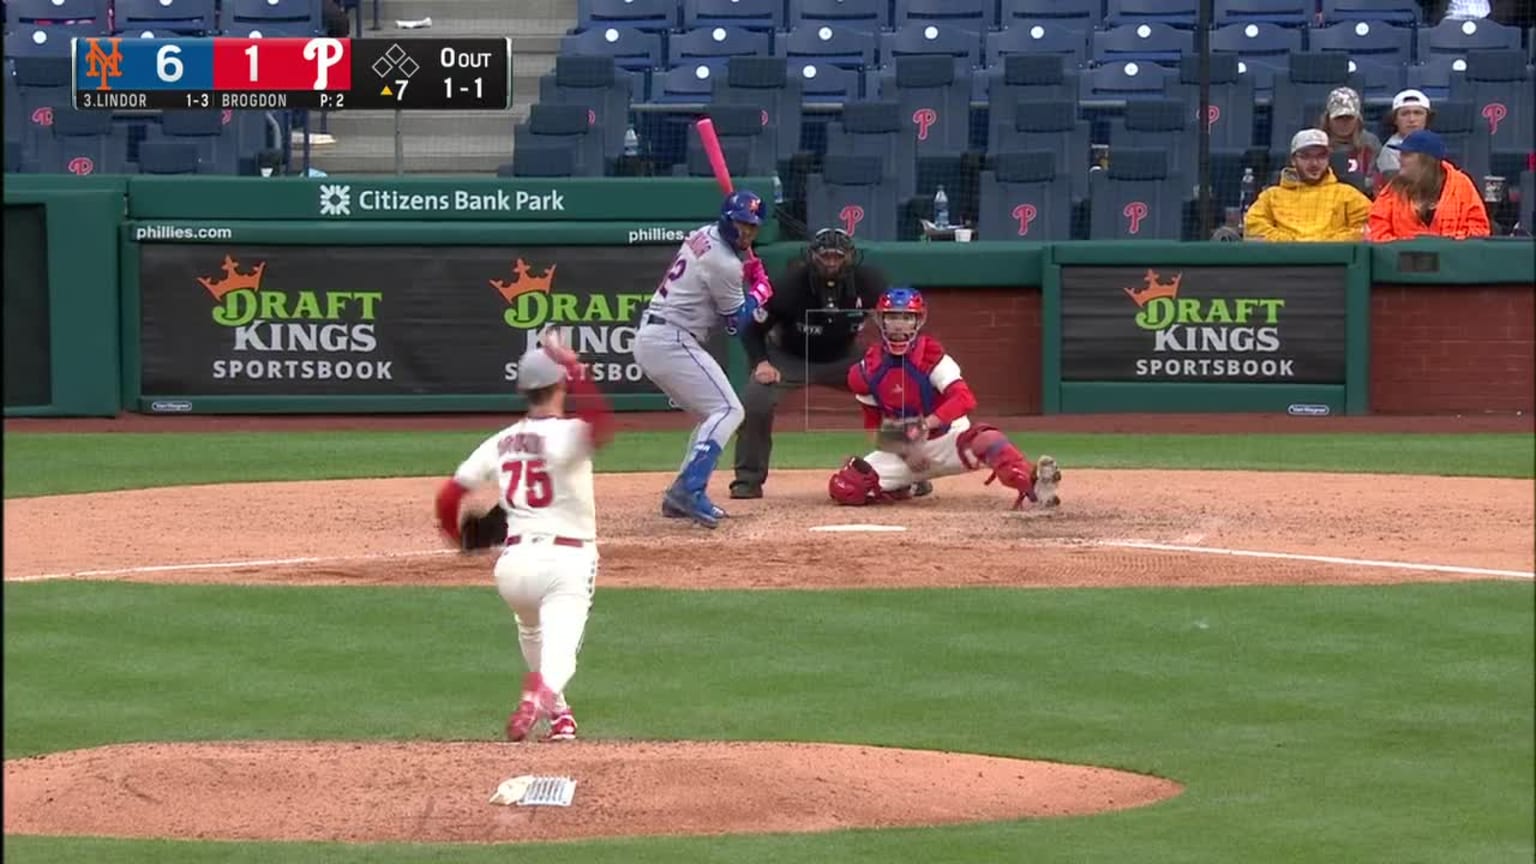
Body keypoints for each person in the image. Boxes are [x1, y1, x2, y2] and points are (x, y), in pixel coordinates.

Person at [433, 333, 614, 743]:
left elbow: (449, 495)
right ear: (560, 385)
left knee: (531, 629)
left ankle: (560, 715)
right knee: (560, 652)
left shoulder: (500, 441)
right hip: (566, 562)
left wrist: (456, 538)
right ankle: (539, 694)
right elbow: (602, 425)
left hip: (513, 569)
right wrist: (578, 367)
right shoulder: (567, 433)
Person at [729, 227, 924, 499]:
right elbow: (751, 329)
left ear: (850, 257)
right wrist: (761, 362)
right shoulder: (787, 286)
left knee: (897, 390)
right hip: (789, 358)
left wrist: (890, 357)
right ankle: (748, 480)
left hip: (845, 357)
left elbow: (893, 317)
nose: (831, 263)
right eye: (825, 257)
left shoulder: (869, 283)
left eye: (837, 256)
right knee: (756, 399)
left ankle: (910, 471)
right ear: (812, 257)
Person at [825, 287, 1061, 510]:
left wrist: (925, 425)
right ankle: (907, 486)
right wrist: (906, 449)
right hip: (903, 447)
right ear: (880, 320)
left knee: (988, 440)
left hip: (949, 439)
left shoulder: (932, 356)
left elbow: (964, 399)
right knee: (847, 487)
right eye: (892, 317)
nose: (898, 325)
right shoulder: (864, 372)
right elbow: (873, 427)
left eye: (907, 317)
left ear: (919, 321)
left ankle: (1036, 487)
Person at [633, 190, 774, 529]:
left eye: (753, 228)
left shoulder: (703, 234)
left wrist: (745, 272)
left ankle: (679, 495)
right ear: (728, 220)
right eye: (742, 225)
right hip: (671, 339)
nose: (747, 234)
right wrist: (760, 291)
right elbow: (735, 323)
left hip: (660, 337)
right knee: (729, 410)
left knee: (714, 413)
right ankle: (689, 490)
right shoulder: (722, 264)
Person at [1245, 129, 1373, 242]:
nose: (1314, 164)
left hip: (1334, 265)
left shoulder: (1347, 194)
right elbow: (1253, 228)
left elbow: (1369, 227)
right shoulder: (1271, 196)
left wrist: (1326, 245)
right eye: (1306, 157)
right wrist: (1291, 245)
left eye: (1321, 156)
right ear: (1293, 160)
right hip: (1285, 264)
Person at [1367, 129, 1492, 241]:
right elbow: (1377, 231)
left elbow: (1479, 230)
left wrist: (1447, 244)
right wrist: (1406, 249)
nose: (1400, 159)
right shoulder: (1393, 189)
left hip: (1453, 262)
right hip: (1403, 263)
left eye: (1406, 154)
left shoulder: (1461, 185)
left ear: (1426, 160)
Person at [1317, 87, 1383, 191]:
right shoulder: (1317, 142)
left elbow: (1377, 179)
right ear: (1328, 118)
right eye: (1339, 118)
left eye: (1349, 118)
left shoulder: (1371, 143)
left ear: (1358, 119)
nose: (1344, 123)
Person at [1377, 89, 1433, 179]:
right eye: (1405, 114)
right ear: (1395, 120)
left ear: (1427, 118)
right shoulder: (1390, 151)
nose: (1412, 119)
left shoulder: (1434, 143)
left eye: (1418, 113)